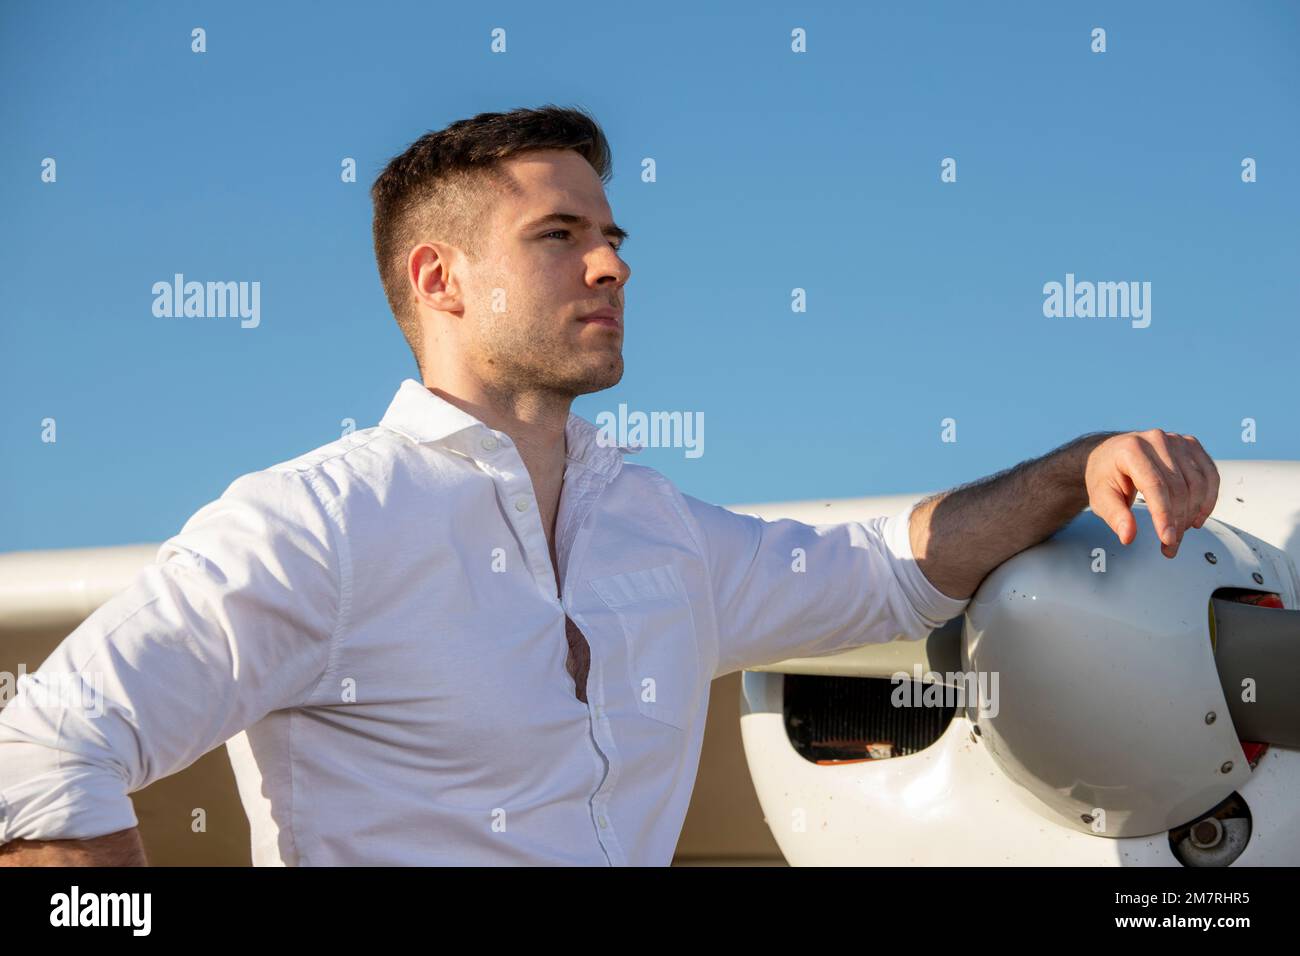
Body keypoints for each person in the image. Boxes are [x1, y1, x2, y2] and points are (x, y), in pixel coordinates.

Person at [0, 104, 1219, 866]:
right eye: (559, 236)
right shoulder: (314, 522)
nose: (612, 263)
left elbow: (895, 569)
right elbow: (45, 748)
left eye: (615, 235)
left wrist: (1075, 465)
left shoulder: (658, 529)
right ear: (440, 277)